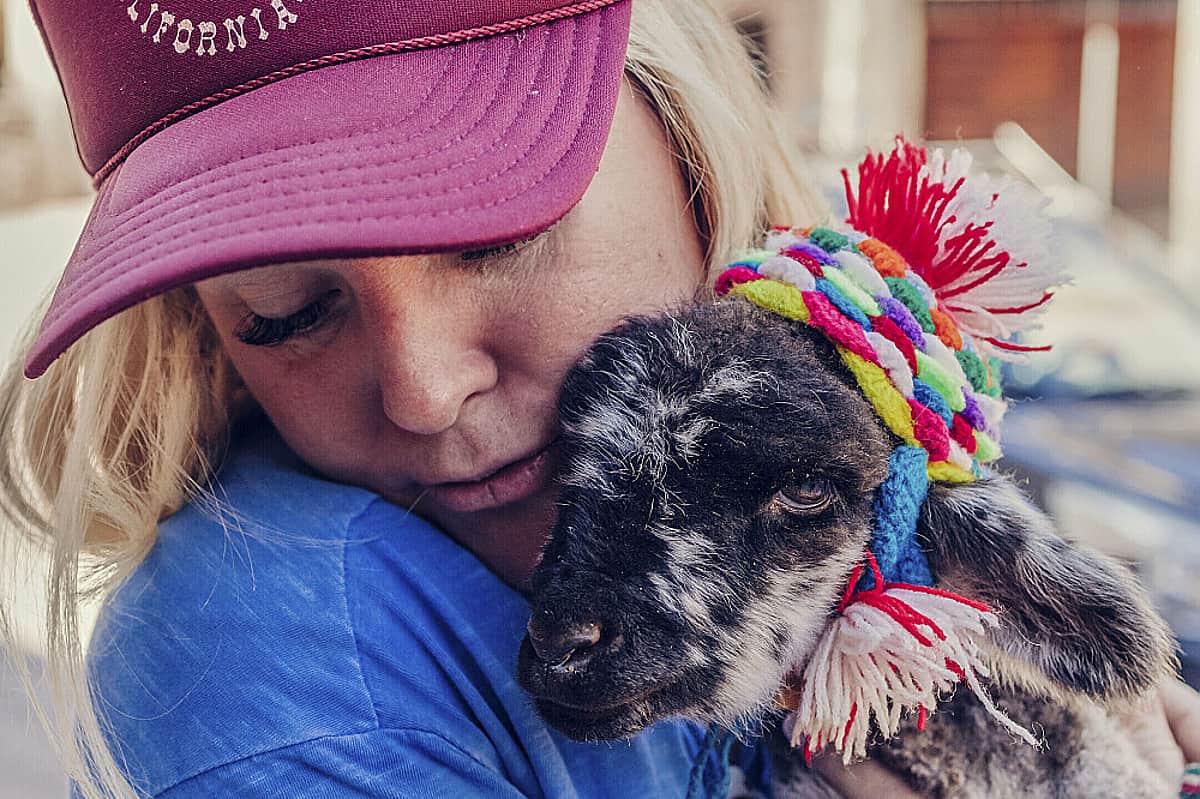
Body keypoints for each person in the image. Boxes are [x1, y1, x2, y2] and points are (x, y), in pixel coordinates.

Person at [1, 1, 1197, 798]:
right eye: (283, 311)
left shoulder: (860, 506)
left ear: (684, 134)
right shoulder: (282, 682)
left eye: (497, 231)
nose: (425, 392)